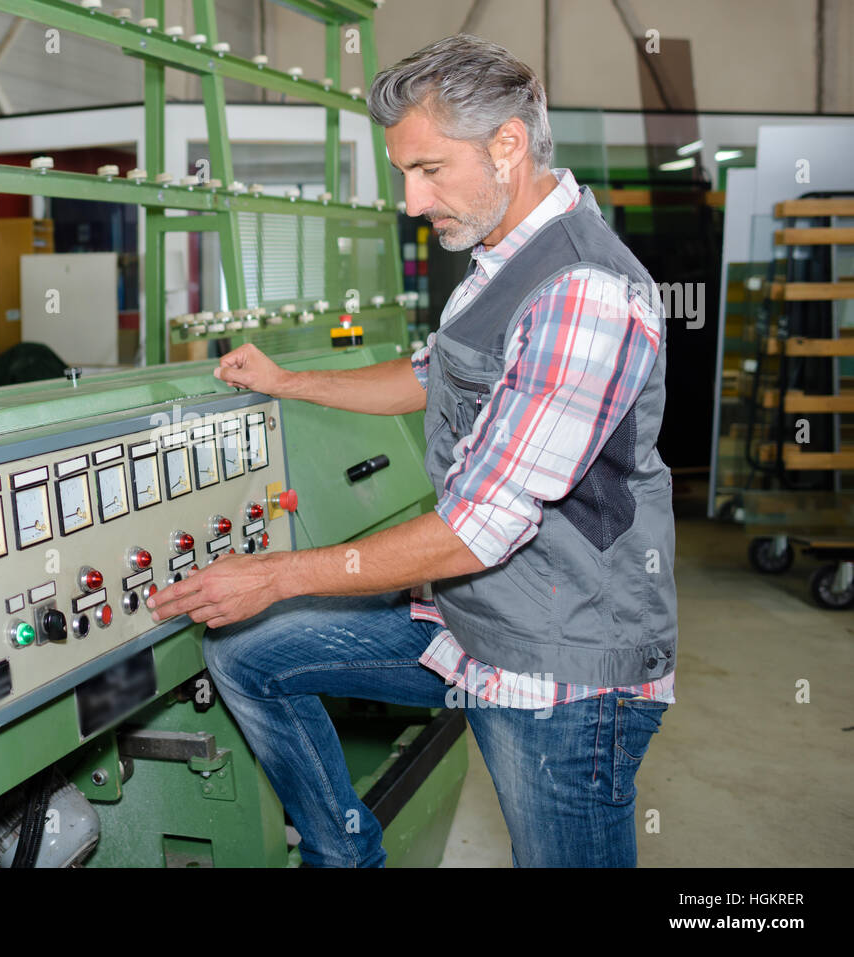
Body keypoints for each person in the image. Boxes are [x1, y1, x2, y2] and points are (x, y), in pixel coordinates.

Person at [146, 33, 677, 867]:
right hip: (475, 623)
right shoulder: (502, 258)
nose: (410, 200)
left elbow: (478, 529)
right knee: (248, 654)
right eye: (402, 173)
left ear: (507, 143)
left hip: (562, 669)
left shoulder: (582, 292)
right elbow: (431, 374)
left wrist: (274, 573)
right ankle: (345, 852)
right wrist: (290, 383)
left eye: (428, 169)